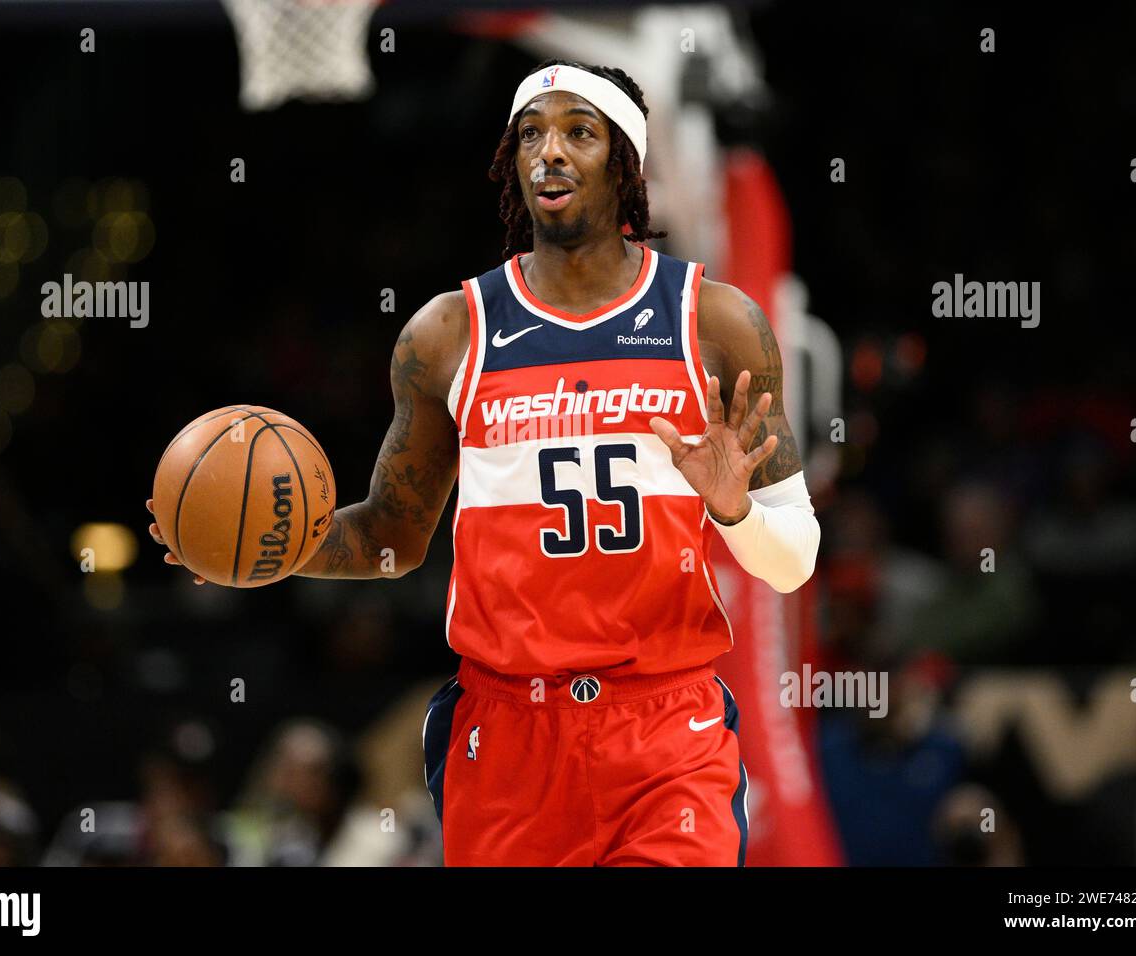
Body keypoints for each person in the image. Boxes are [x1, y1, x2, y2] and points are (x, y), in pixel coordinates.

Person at [148, 59, 820, 866]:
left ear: (627, 164)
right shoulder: (447, 334)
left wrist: (733, 510)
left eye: (579, 131)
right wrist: (263, 548)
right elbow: (394, 539)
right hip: (506, 736)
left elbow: (794, 563)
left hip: (664, 730)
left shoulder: (715, 323)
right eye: (530, 134)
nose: (551, 152)